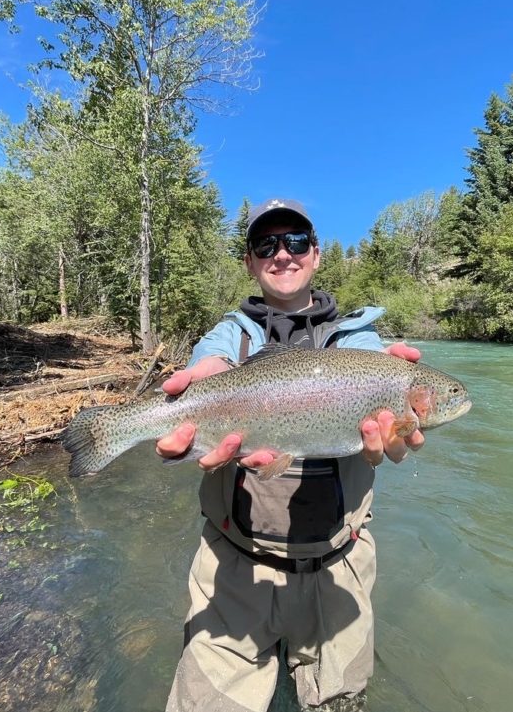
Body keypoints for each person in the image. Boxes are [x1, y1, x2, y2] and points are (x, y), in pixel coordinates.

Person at [159, 198, 425, 712]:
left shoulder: (360, 343)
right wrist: (196, 396)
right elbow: (208, 363)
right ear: (251, 262)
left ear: (317, 255)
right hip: (233, 571)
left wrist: (385, 446)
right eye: (266, 245)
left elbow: (383, 413)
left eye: (296, 242)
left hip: (336, 570)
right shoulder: (228, 335)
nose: (282, 254)